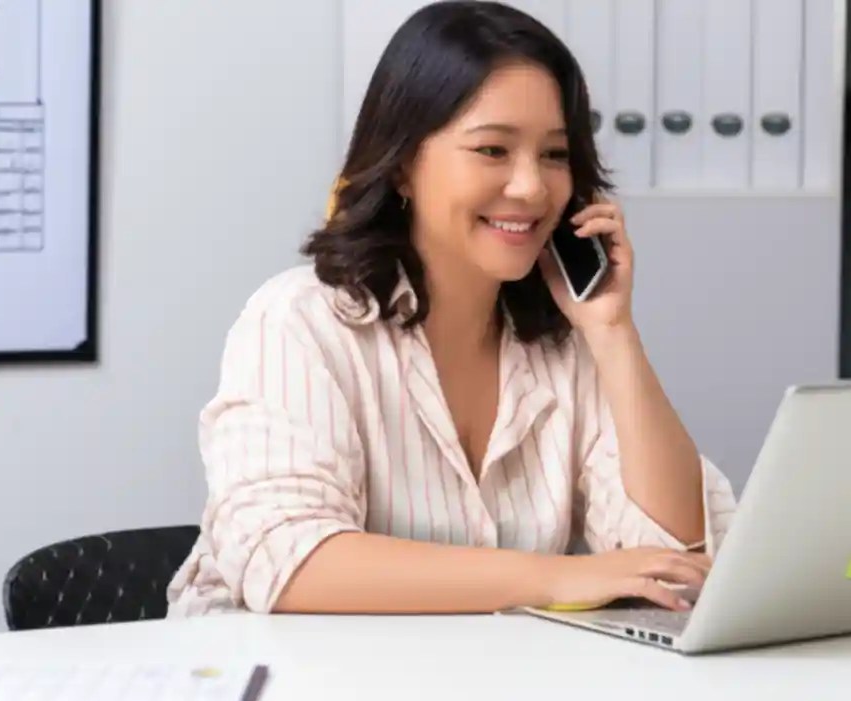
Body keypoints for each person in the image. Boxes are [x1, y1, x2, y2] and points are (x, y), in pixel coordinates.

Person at [166, 0, 736, 617]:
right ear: (405, 164)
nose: (531, 187)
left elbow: (676, 557)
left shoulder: (565, 347)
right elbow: (290, 561)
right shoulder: (301, 321)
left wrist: (614, 334)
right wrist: (551, 578)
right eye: (493, 150)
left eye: (554, 154)